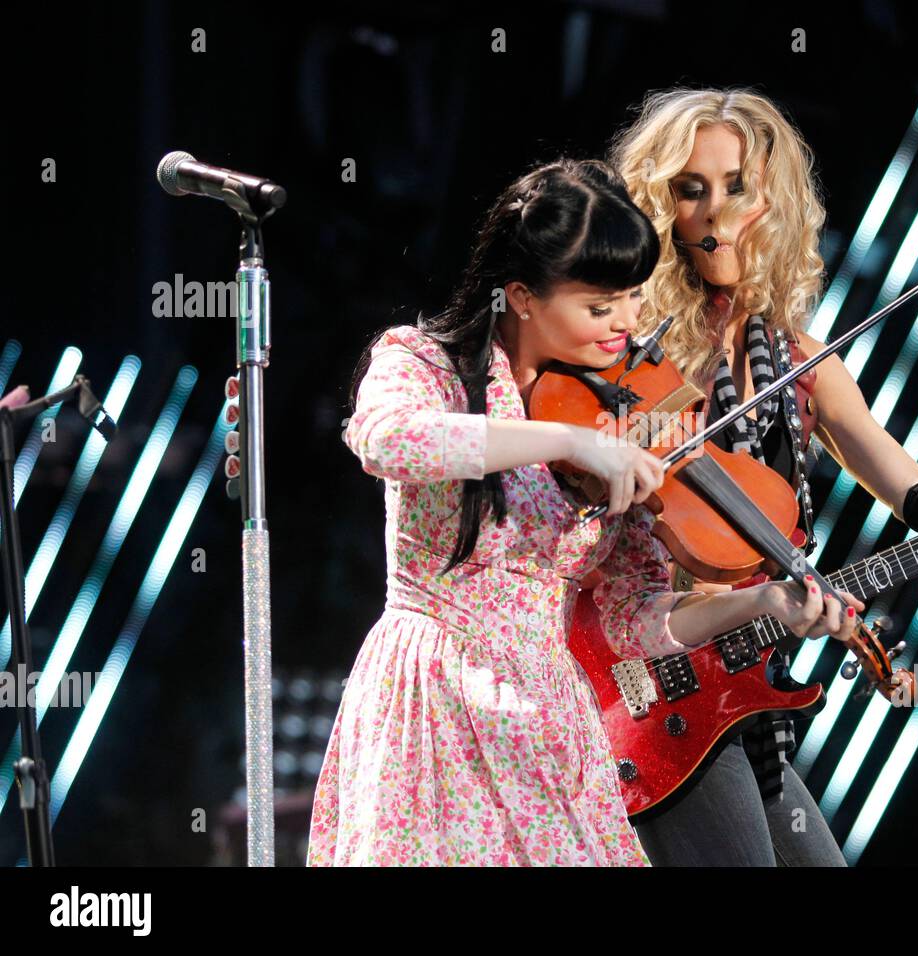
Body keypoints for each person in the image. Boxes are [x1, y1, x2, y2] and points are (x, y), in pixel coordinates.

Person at [306, 158, 866, 866]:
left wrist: (766, 602)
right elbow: (389, 440)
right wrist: (569, 440)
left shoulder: (628, 410)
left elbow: (637, 619)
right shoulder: (425, 364)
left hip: (549, 710)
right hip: (436, 687)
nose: (626, 326)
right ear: (522, 297)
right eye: (599, 308)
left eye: (633, 300)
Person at [610, 87, 918, 866]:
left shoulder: (803, 363)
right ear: (659, 209)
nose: (713, 213)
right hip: (656, 685)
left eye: (737, 187)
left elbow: (909, 486)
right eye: (689, 190)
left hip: (746, 695)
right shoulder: (631, 358)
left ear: (772, 204)